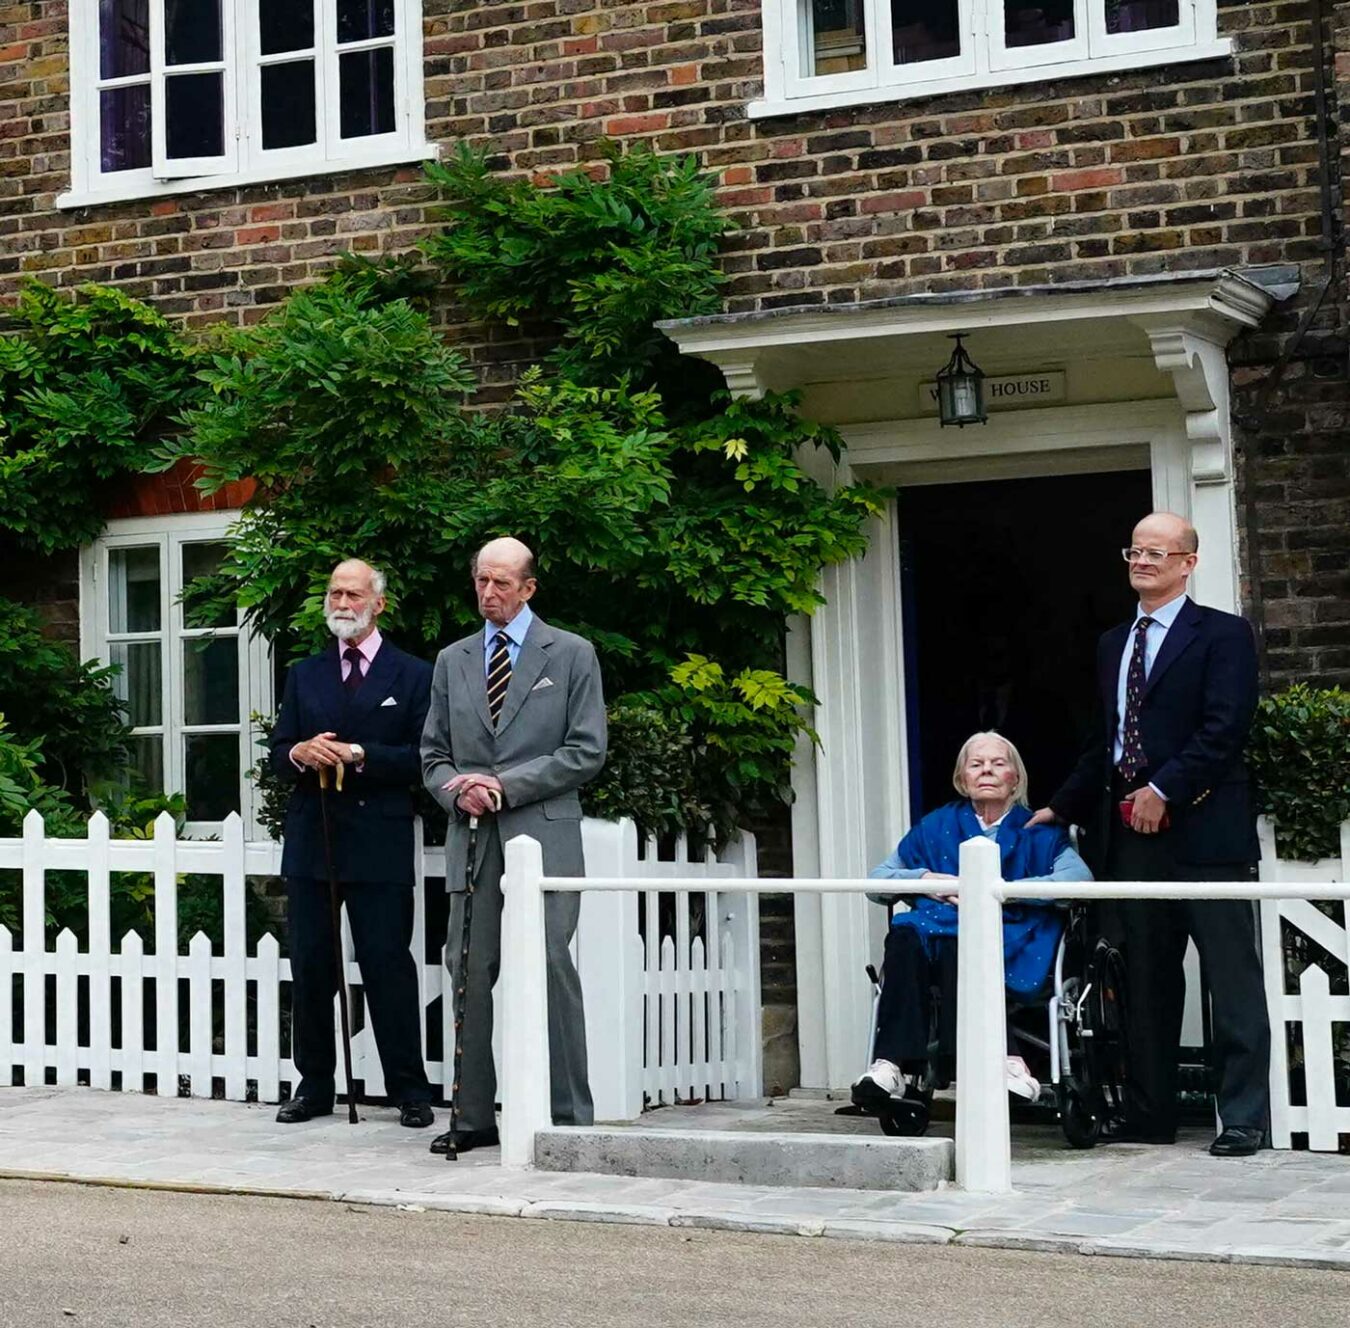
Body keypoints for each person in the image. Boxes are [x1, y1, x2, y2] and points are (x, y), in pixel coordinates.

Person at [1032, 511, 1269, 1157]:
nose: (1142, 562)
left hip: (1206, 835)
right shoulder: (1114, 642)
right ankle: (1150, 1114)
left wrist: (1164, 791)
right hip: (1130, 840)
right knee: (1143, 980)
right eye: (1134, 551)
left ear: (1188, 563)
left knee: (1231, 977)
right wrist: (1060, 806)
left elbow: (1225, 729)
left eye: (1156, 553)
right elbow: (1103, 743)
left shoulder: (1223, 635)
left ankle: (1244, 1118)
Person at [421, 537, 607, 1156]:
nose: (488, 594)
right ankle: (473, 1116)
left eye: (502, 583)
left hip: (544, 835)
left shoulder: (573, 654)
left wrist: (505, 785)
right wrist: (458, 792)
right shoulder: (454, 659)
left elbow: (586, 752)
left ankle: (568, 1116)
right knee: (469, 968)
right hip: (471, 840)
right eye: (481, 581)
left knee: (551, 967)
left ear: (529, 588)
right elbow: (433, 755)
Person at [270, 559, 435, 1128]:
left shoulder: (414, 674)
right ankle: (314, 1086)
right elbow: (277, 749)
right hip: (314, 836)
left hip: (378, 839)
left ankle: (409, 1091)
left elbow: (425, 758)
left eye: (352, 594)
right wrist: (300, 753)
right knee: (312, 965)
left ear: (378, 604)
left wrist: (360, 755)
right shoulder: (305, 673)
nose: (341, 602)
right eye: (334, 593)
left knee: (388, 963)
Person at [852, 732, 1091, 1112]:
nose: (987, 772)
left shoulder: (1040, 831)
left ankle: (1008, 1062)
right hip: (932, 936)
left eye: (998, 764)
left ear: (1016, 778)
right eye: (976, 765)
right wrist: (926, 880)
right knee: (904, 936)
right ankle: (890, 1066)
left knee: (959, 941)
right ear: (962, 779)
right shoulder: (937, 825)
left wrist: (1001, 890)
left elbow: (1079, 883)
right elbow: (877, 880)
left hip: (1014, 937)